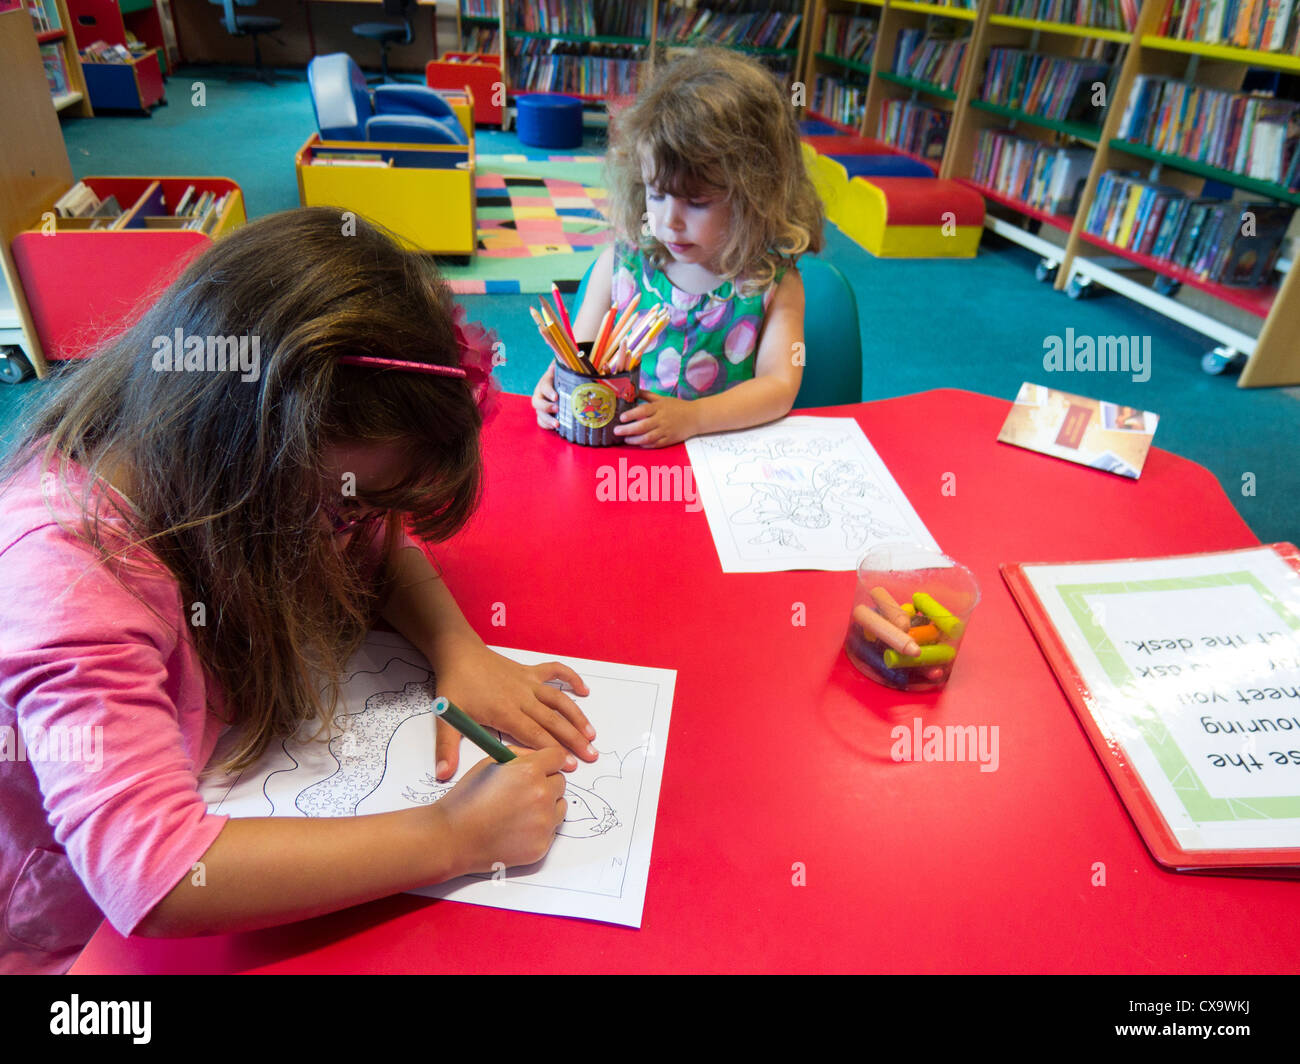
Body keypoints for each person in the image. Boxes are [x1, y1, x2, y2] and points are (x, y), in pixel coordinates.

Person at [0, 208, 598, 974]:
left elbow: (377, 543)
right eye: (344, 503)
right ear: (243, 442)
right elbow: (158, 878)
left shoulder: (232, 472)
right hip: (65, 936)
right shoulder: (68, 577)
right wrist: (454, 835)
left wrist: (457, 650)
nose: (354, 529)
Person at [532, 47, 824, 447]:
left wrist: (693, 418)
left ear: (755, 195)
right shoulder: (621, 266)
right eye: (656, 194)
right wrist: (555, 384)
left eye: (697, 201)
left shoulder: (772, 283)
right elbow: (578, 357)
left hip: (719, 463)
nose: (669, 221)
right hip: (621, 463)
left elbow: (779, 385)